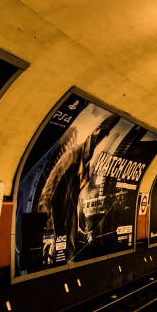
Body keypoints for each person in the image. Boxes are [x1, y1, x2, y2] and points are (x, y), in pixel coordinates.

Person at [38, 113, 119, 265]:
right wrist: (49, 229)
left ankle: (68, 264)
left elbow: (76, 199)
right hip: (57, 216)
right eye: (100, 136)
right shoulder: (72, 155)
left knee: (69, 252)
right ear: (95, 132)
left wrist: (82, 229)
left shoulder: (84, 164)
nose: (99, 143)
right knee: (57, 255)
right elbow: (47, 192)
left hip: (69, 214)